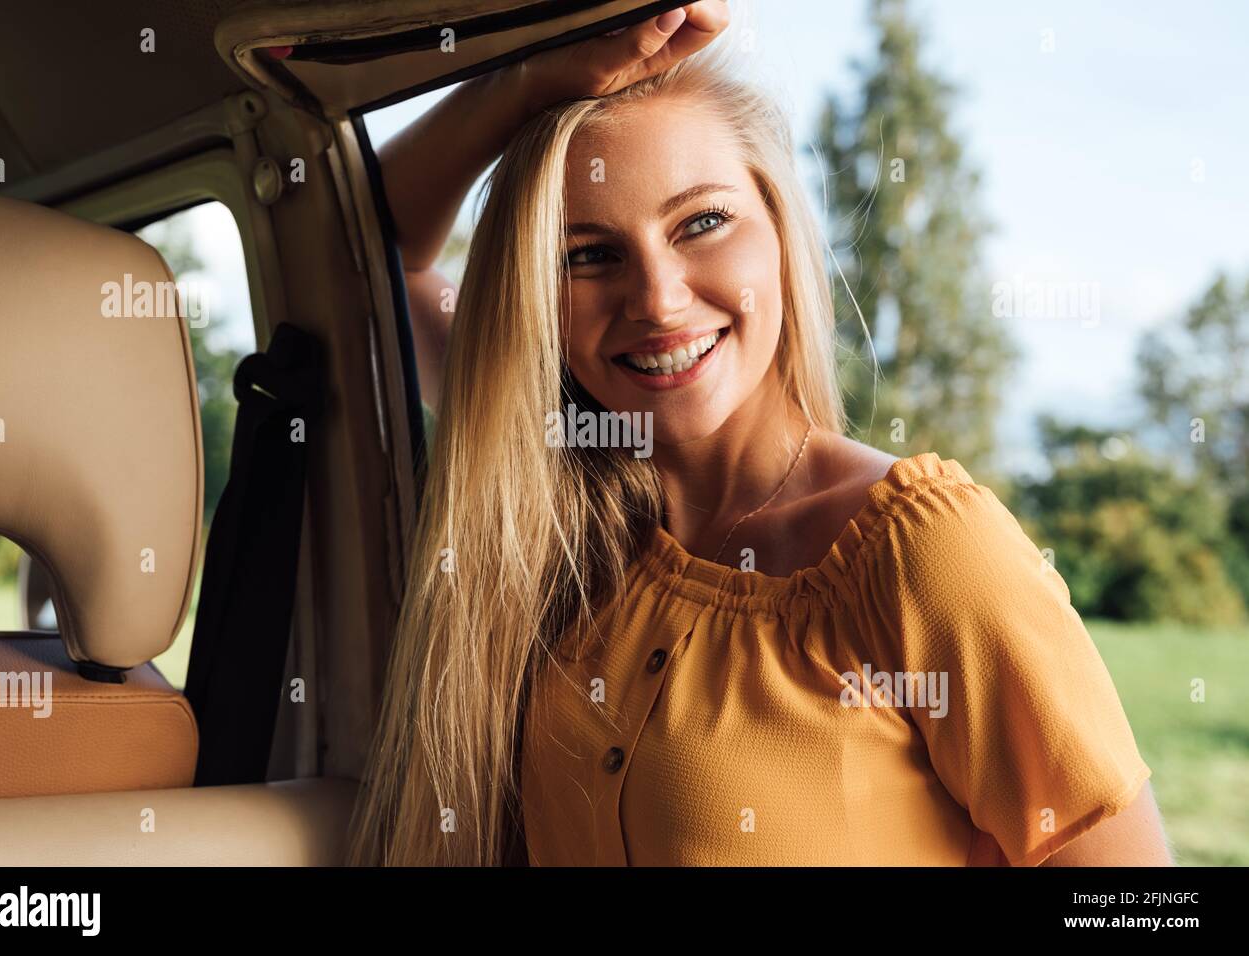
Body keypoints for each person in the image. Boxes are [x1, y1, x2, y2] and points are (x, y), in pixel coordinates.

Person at [349, 1, 1171, 867]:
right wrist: (531, 82)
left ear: (781, 235)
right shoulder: (558, 504)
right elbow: (376, 250)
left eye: (702, 222)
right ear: (533, 297)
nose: (659, 301)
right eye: (587, 254)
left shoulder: (926, 553)